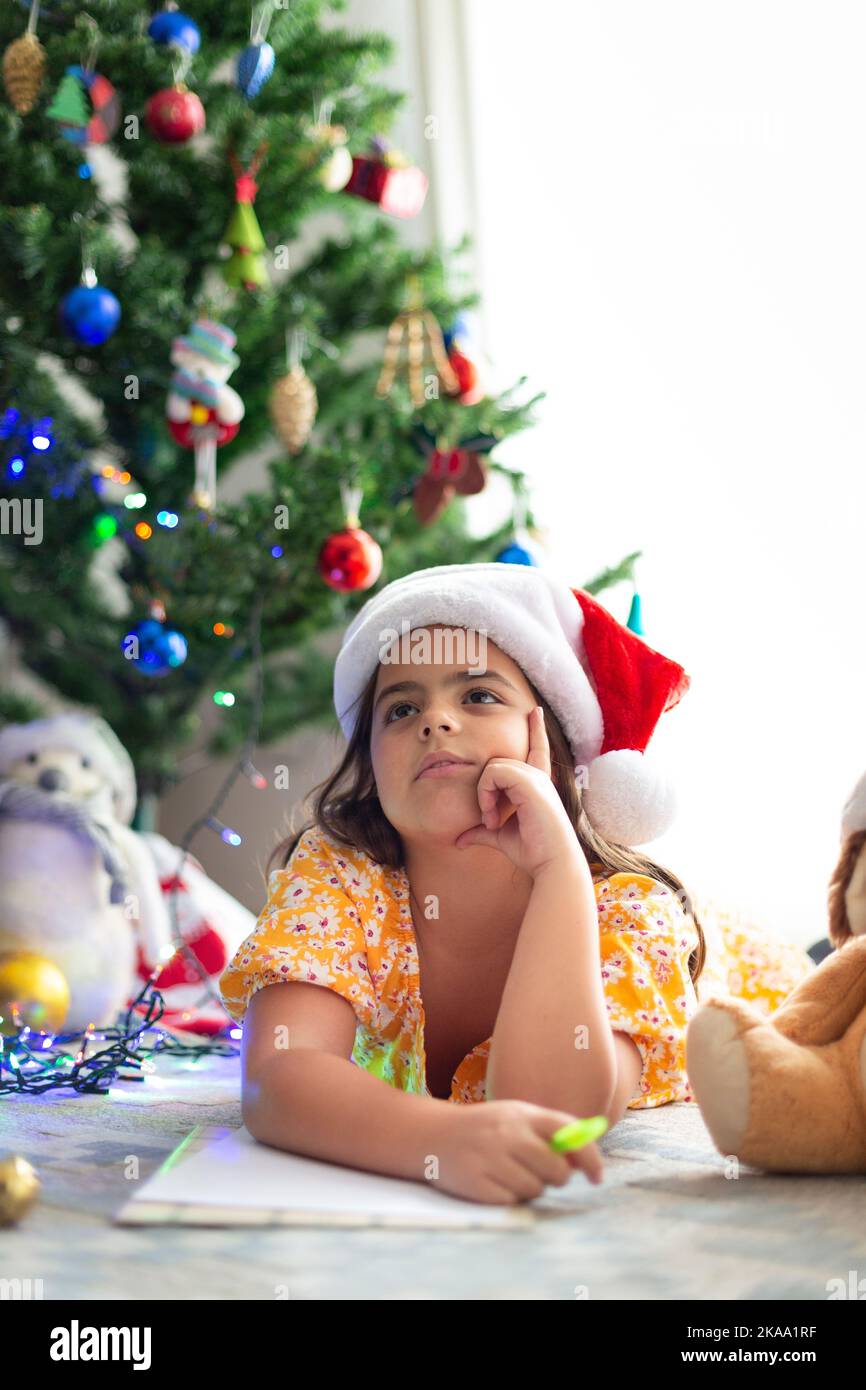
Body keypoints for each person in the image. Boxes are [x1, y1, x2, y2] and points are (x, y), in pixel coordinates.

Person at [219, 563, 815, 1206]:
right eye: (401, 708)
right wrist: (437, 1141)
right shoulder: (339, 873)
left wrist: (558, 872)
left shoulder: (634, 911)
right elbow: (277, 1075)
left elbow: (550, 1112)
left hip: (758, 972)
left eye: (478, 695)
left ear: (551, 740)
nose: (434, 720)